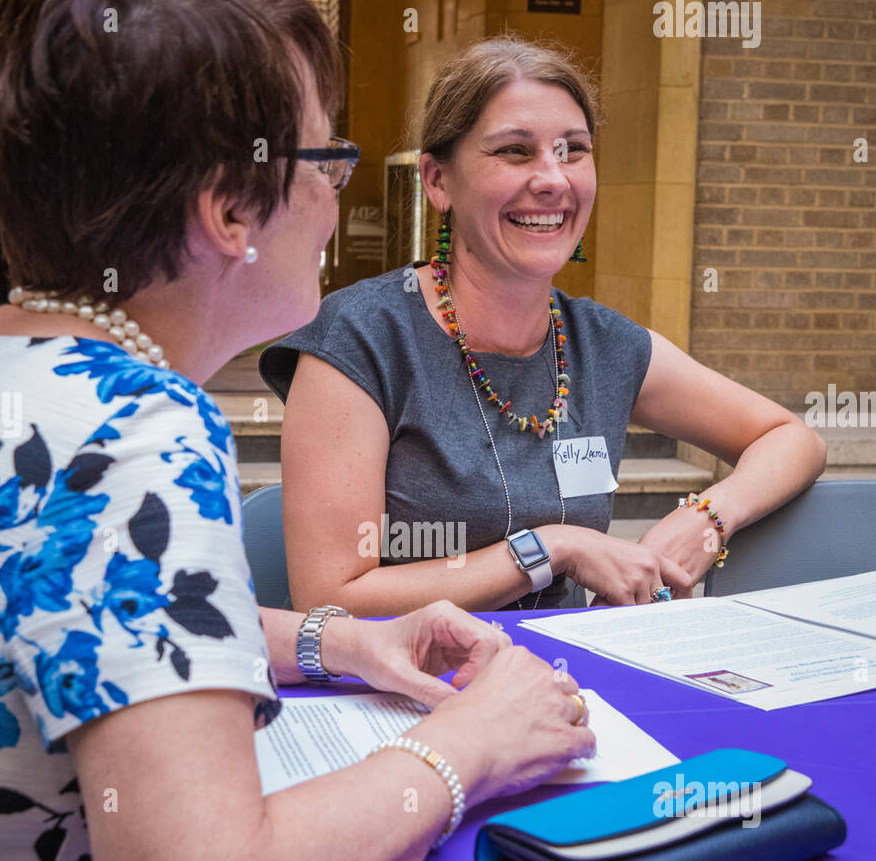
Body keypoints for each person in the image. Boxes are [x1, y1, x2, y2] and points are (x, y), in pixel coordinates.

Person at [0, 0, 595, 861]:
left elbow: (37, 616)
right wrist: (467, 746)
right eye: (324, 160)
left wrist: (331, 643)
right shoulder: (138, 423)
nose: (340, 190)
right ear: (230, 211)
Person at [261, 34, 827, 616]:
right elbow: (330, 597)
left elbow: (792, 440)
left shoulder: (602, 344)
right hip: (405, 688)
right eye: (514, 151)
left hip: (564, 682)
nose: (553, 178)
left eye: (572, 149)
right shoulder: (363, 335)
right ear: (438, 181)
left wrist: (705, 518)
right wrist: (552, 548)